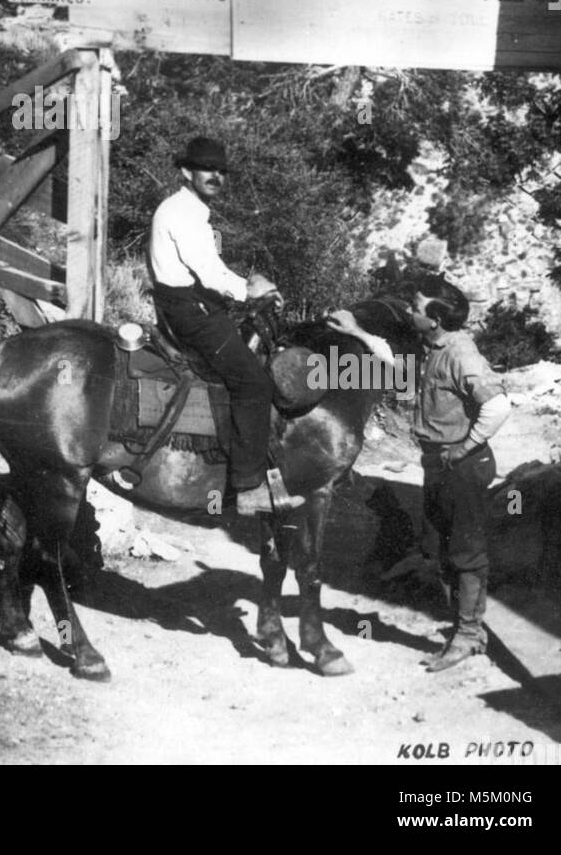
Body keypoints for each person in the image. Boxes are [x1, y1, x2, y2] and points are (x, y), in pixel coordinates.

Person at [333, 275, 510, 672]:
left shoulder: (461, 355)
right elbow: (396, 364)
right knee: (442, 547)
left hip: (462, 465)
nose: (410, 311)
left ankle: (466, 636)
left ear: (436, 319)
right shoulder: (432, 346)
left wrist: (465, 447)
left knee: (465, 552)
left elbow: (498, 406)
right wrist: (357, 331)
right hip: (441, 461)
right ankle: (466, 628)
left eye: (416, 306)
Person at [148, 135, 304, 516]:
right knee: (254, 383)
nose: (216, 176)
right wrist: (252, 290)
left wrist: (247, 288)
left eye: (221, 171)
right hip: (192, 313)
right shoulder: (182, 213)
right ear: (187, 172)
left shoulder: (190, 209)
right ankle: (249, 486)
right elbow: (210, 272)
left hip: (191, 305)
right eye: (207, 169)